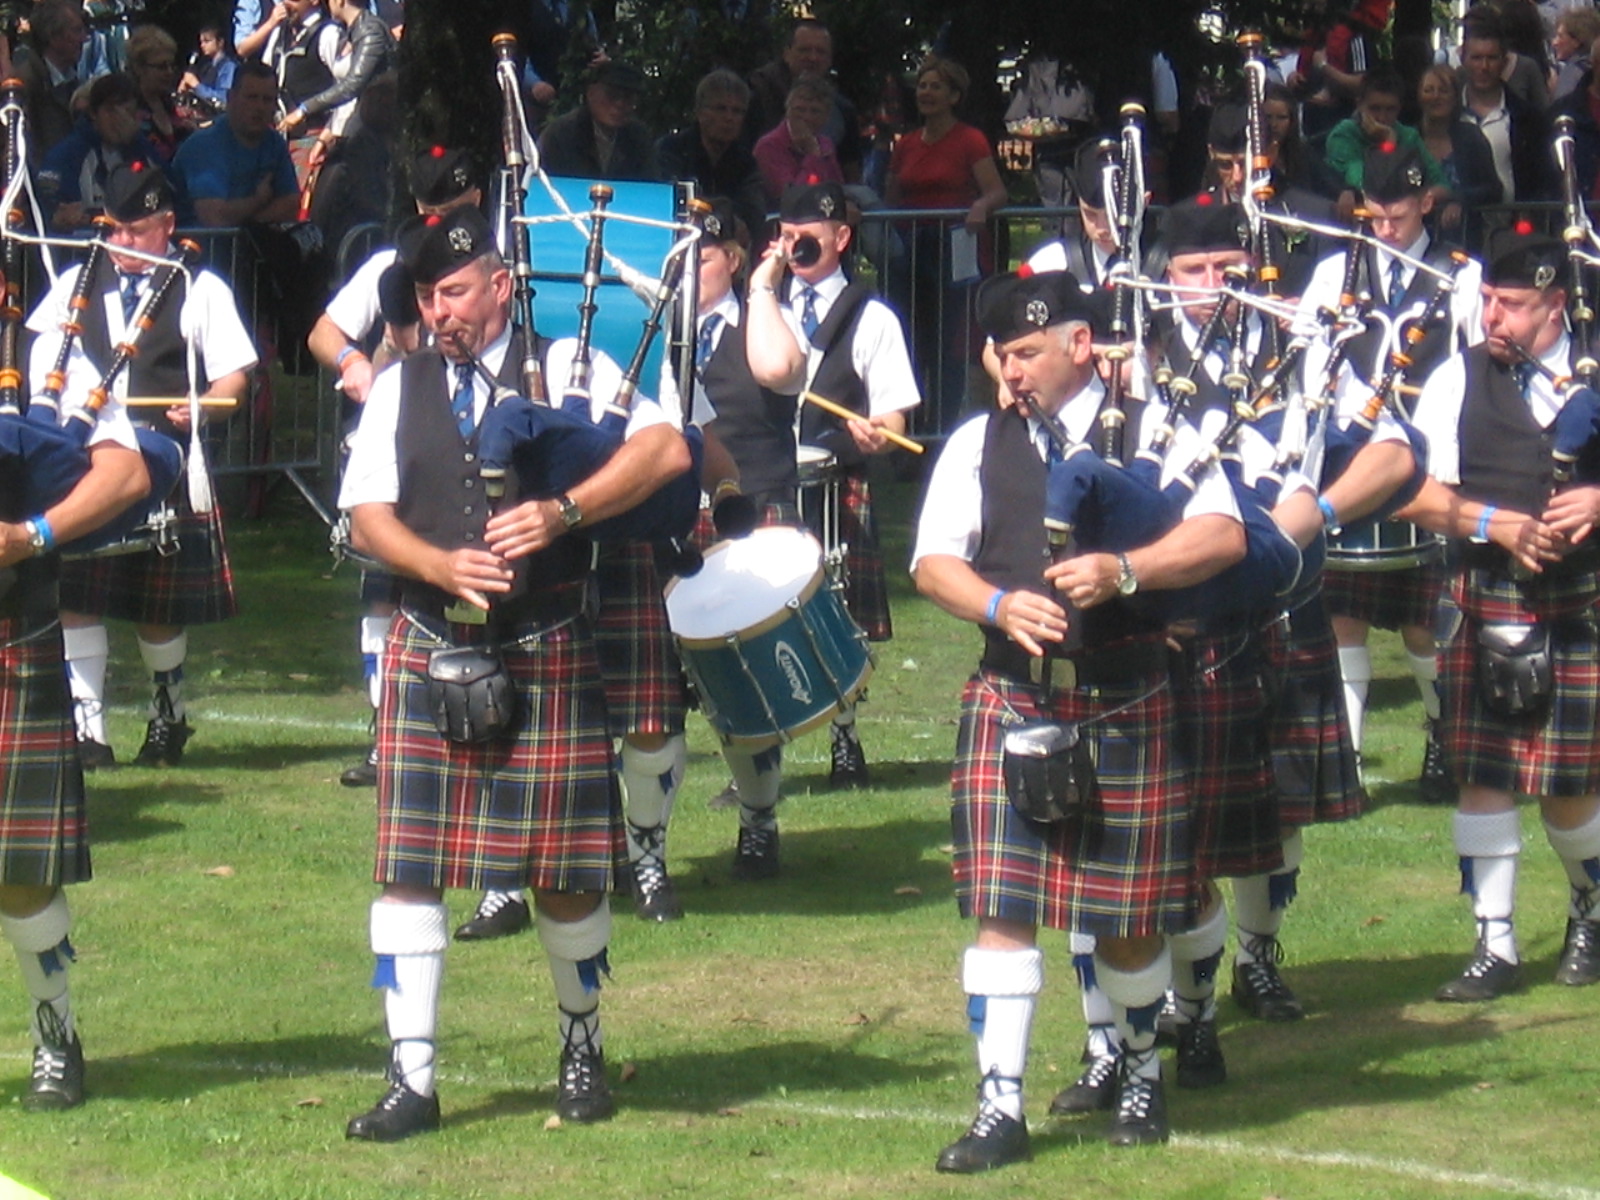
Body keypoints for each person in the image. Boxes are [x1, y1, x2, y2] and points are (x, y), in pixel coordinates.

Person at [337, 205, 691, 1139]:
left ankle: (582, 1044)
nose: (437, 311)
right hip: (429, 637)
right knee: (409, 873)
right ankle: (411, 1077)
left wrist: (565, 510)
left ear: (500, 286)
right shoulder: (398, 386)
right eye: (424, 295)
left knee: (568, 873)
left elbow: (666, 448)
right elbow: (366, 509)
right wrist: (433, 563)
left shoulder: (571, 365)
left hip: (545, 643)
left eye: (453, 291)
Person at [913, 268, 1246, 1169]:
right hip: (1012, 695)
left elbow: (1223, 534)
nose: (1009, 372)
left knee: (1132, 917)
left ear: (1079, 345)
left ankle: (1140, 1072)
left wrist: (1127, 572)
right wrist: (994, 606)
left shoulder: (1158, 424)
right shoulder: (979, 442)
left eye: (1026, 353)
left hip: (1125, 691)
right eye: (1002, 355)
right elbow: (933, 561)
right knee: (999, 906)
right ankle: (1000, 1107)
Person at [1400, 222, 1600, 1000]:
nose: (1492, 317)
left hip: (1581, 600)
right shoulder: (1458, 377)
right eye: (1487, 300)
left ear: (1556, 306)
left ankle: (1588, 911)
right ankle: (1495, 945)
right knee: (1483, 774)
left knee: (1572, 783)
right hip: (1487, 593)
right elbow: (1415, 492)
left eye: (1511, 305)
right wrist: (1492, 523)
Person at [31, 163, 255, 772]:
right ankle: (88, 730)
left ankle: (167, 715)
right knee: (77, 590)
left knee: (158, 608)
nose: (123, 244)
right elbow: (39, 358)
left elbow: (234, 374)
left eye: (136, 231)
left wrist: (203, 405)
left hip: (163, 457)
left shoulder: (199, 286)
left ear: (167, 225)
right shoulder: (77, 283)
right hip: (87, 456)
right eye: (115, 230)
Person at [1, 290, 150, 1111]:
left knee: (19, 876)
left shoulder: (49, 362)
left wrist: (33, 536)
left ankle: (55, 1030)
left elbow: (124, 471)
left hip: (7, 632)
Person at [1300, 141, 1484, 799]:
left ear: (1427, 201)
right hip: (1353, 460)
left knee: (1421, 620)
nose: (1385, 227)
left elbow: (1475, 369)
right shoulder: (1333, 275)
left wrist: (1457, 463)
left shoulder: (1462, 278)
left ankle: (1442, 735)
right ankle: (1346, 760)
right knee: (1343, 611)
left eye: (1397, 214)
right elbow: (1308, 357)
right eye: (1375, 215)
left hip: (1431, 461)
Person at [308, 144, 483, 793]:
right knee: (385, 584)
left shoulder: (501, 267)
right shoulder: (389, 266)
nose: (444, 219)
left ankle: (476, 723)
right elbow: (324, 332)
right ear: (418, 206)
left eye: (458, 206)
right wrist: (355, 365)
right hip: (403, 441)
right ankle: (388, 732)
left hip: (483, 443)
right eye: (435, 207)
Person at [741, 181, 919, 811]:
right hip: (767, 478)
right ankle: (759, 759)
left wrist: (880, 434)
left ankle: (846, 738)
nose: (796, 246)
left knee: (838, 608)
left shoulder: (873, 316)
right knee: (757, 614)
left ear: (842, 238)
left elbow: (895, 412)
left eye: (809, 235)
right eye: (786, 235)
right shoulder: (762, 306)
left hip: (836, 480)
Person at [886, 55, 1007, 429]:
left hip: (953, 248)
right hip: (911, 251)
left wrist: (980, 208)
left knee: (949, 342)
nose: (926, 92)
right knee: (911, 338)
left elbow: (997, 192)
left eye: (936, 86)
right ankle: (911, 429)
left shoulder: (969, 140)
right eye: (922, 85)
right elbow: (891, 197)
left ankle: (941, 426)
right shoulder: (905, 145)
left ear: (954, 95)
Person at [170, 61, 299, 228]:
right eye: (251, 98)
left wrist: (248, 225)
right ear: (231, 98)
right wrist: (258, 200)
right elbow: (214, 218)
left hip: (248, 248)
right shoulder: (204, 146)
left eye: (267, 100)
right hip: (201, 249)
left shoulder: (275, 143)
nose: (259, 107)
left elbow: (291, 205)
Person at [743, 17, 863, 182]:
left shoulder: (844, 111)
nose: (813, 58)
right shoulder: (757, 95)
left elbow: (850, 176)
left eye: (820, 52)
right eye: (804, 50)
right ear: (787, 54)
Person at [656, 69, 767, 246]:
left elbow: (754, 215)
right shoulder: (671, 149)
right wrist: (724, 214)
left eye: (737, 111)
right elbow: (672, 203)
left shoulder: (746, 162)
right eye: (721, 109)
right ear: (700, 112)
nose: (729, 118)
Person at [36, 72, 157, 231]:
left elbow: (171, 196)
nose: (119, 120)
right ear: (93, 113)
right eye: (111, 111)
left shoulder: (143, 148)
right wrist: (62, 216)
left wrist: (134, 144)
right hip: (84, 246)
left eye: (128, 111)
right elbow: (48, 209)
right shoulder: (68, 155)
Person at [276, 0, 394, 161]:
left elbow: (352, 85)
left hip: (373, 132)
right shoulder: (353, 32)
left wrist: (303, 110)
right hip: (352, 130)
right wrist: (326, 135)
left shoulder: (370, 30)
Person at [1459, 11, 1552, 203]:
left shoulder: (1528, 120)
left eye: (1491, 58)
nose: (1484, 67)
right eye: (1476, 58)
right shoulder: (1447, 114)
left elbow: (1541, 179)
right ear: (1463, 58)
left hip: (1513, 224)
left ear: (1505, 61)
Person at [1323, 70, 1450, 207]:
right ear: (1360, 105)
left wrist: (1423, 196)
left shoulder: (1408, 136)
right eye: (1375, 109)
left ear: (1399, 108)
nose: (1382, 118)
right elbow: (1371, 187)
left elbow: (1442, 184)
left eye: (1390, 109)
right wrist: (1389, 144)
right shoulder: (1344, 135)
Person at [537, 60, 658, 182]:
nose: (620, 104)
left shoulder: (639, 137)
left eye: (628, 98)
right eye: (612, 95)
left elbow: (650, 184)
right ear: (590, 93)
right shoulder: (560, 134)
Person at [1416, 64, 1501, 223]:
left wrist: (1459, 199)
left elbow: (1494, 189)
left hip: (1465, 234)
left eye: (1443, 90)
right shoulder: (1409, 138)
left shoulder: (1470, 136)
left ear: (1455, 97)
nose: (1436, 96)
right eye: (1429, 90)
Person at [12, 0, 93, 165]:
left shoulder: (74, 81)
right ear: (54, 37)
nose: (84, 39)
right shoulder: (26, 85)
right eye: (76, 31)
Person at [752, 75, 844, 207]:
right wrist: (812, 154)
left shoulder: (826, 144)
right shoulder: (768, 146)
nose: (806, 117)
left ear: (826, 117)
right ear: (787, 110)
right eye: (800, 110)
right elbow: (793, 199)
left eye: (815, 111)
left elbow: (838, 188)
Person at [124, 25, 194, 165]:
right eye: (162, 67)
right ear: (139, 68)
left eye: (171, 65)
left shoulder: (168, 103)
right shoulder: (128, 109)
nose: (169, 72)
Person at [178, 22, 238, 113]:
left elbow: (224, 98)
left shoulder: (228, 66)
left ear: (220, 42)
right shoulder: (206, 66)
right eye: (201, 42)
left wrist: (196, 85)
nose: (202, 45)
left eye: (207, 41)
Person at [1550, 6, 1600, 99]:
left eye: (1560, 36)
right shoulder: (1594, 66)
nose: (1554, 43)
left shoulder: (1573, 72)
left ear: (1576, 41)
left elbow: (1562, 107)